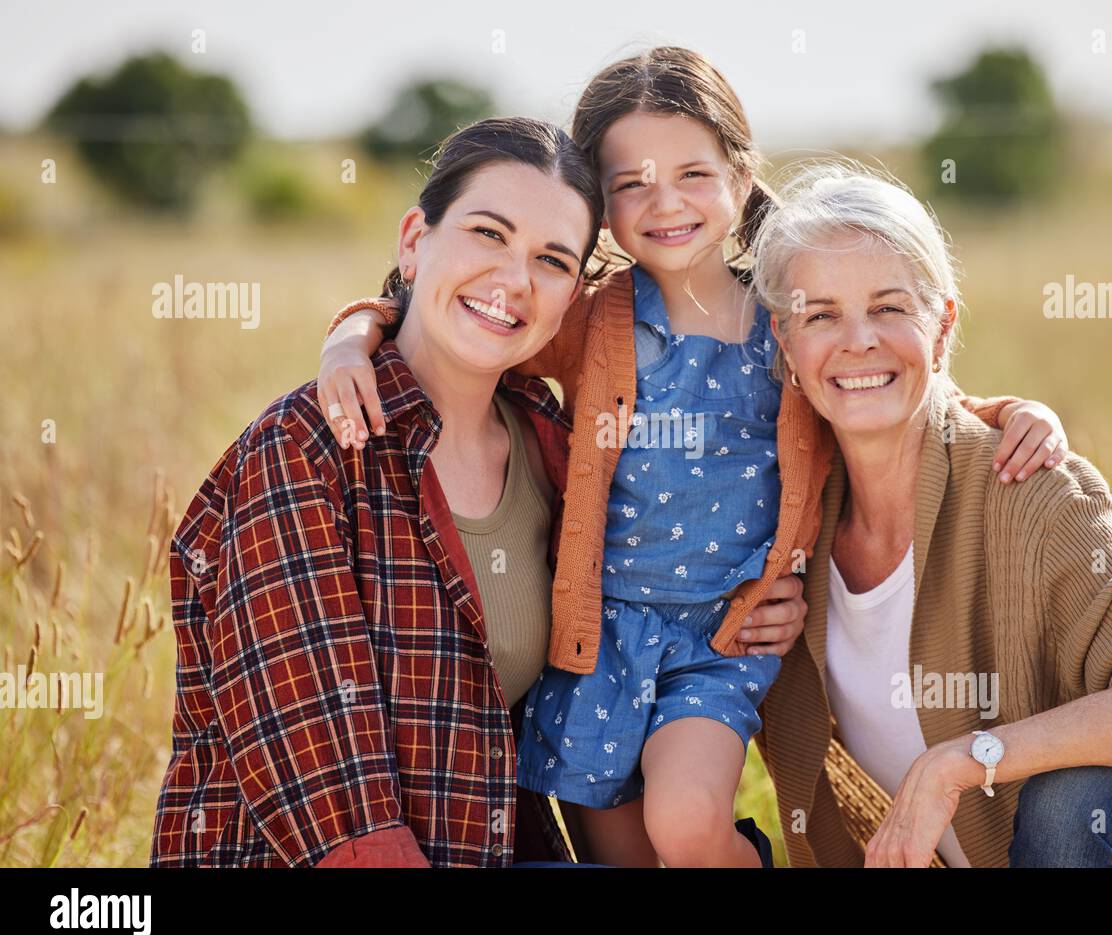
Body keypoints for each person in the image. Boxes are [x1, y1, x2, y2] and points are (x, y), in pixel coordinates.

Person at [314, 48, 1069, 866]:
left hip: (725, 638)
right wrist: (347, 342)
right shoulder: (588, 319)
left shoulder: (788, 321)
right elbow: (450, 312)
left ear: (742, 180)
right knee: (620, 855)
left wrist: (1006, 409)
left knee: (685, 822)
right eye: (631, 183)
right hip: (595, 639)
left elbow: (882, 384)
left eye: (692, 175)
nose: (664, 204)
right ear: (601, 207)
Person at [749, 162, 1112, 867]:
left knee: (1076, 804)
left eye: (889, 307)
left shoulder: (1029, 485)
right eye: (821, 315)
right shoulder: (785, 525)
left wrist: (966, 759)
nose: (858, 340)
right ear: (786, 345)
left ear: (941, 327)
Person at [152, 117, 608, 866]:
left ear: (574, 296)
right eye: (488, 234)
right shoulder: (307, 448)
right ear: (413, 240)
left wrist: (769, 598)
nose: (514, 280)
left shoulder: (554, 447)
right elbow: (331, 795)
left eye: (552, 259)